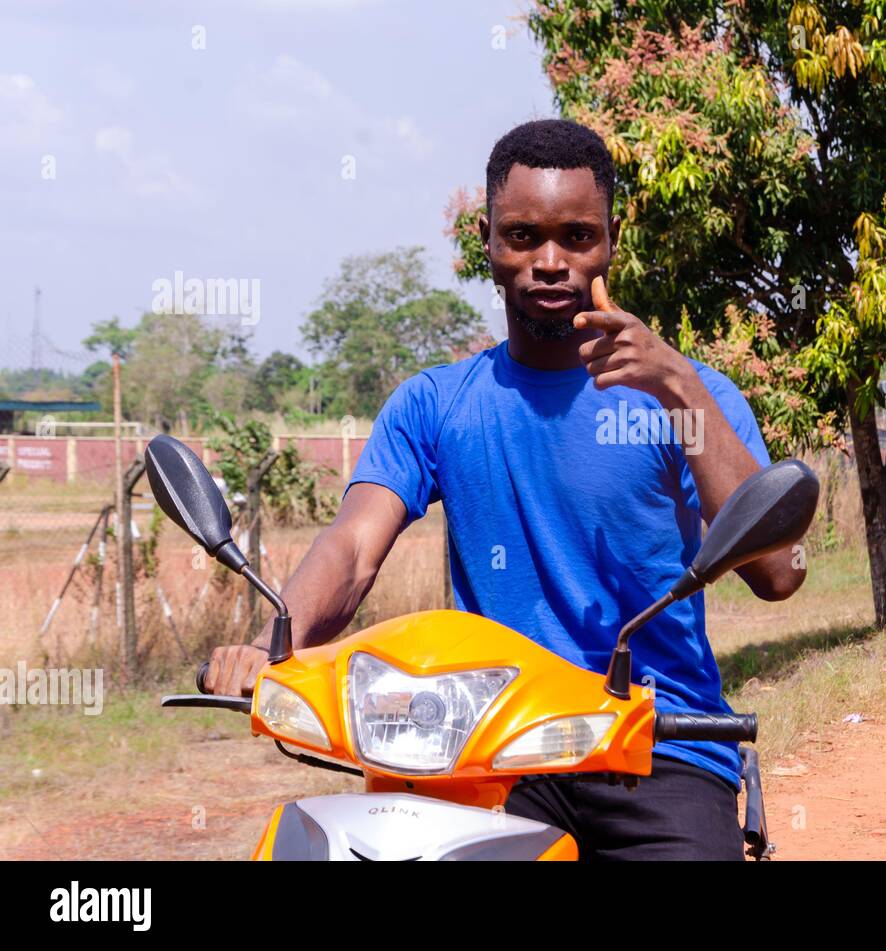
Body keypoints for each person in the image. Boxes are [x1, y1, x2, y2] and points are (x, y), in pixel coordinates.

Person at [202, 118, 807, 859]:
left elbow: (777, 571)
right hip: (488, 745)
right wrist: (273, 645)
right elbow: (354, 546)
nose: (549, 261)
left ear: (611, 238)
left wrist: (677, 384)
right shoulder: (436, 403)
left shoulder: (687, 394)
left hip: (657, 750)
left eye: (577, 236)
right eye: (523, 236)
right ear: (488, 241)